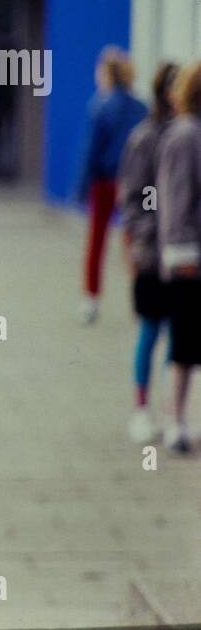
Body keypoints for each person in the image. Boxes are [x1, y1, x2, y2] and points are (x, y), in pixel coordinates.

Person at [118, 63, 179, 444]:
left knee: (180, 334)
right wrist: (143, 239)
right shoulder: (146, 137)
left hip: (185, 254)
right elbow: (134, 196)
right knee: (151, 329)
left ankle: (173, 411)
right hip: (154, 254)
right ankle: (142, 408)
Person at [77, 47, 147, 324]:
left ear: (106, 72)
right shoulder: (140, 107)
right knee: (135, 241)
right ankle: (140, 300)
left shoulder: (101, 105)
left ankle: (91, 299)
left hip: (105, 181)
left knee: (97, 241)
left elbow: (89, 150)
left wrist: (81, 188)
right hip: (134, 182)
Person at [155, 60, 201, 453]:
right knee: (183, 346)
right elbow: (175, 201)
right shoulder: (185, 136)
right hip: (189, 260)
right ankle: (175, 421)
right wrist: (180, 254)